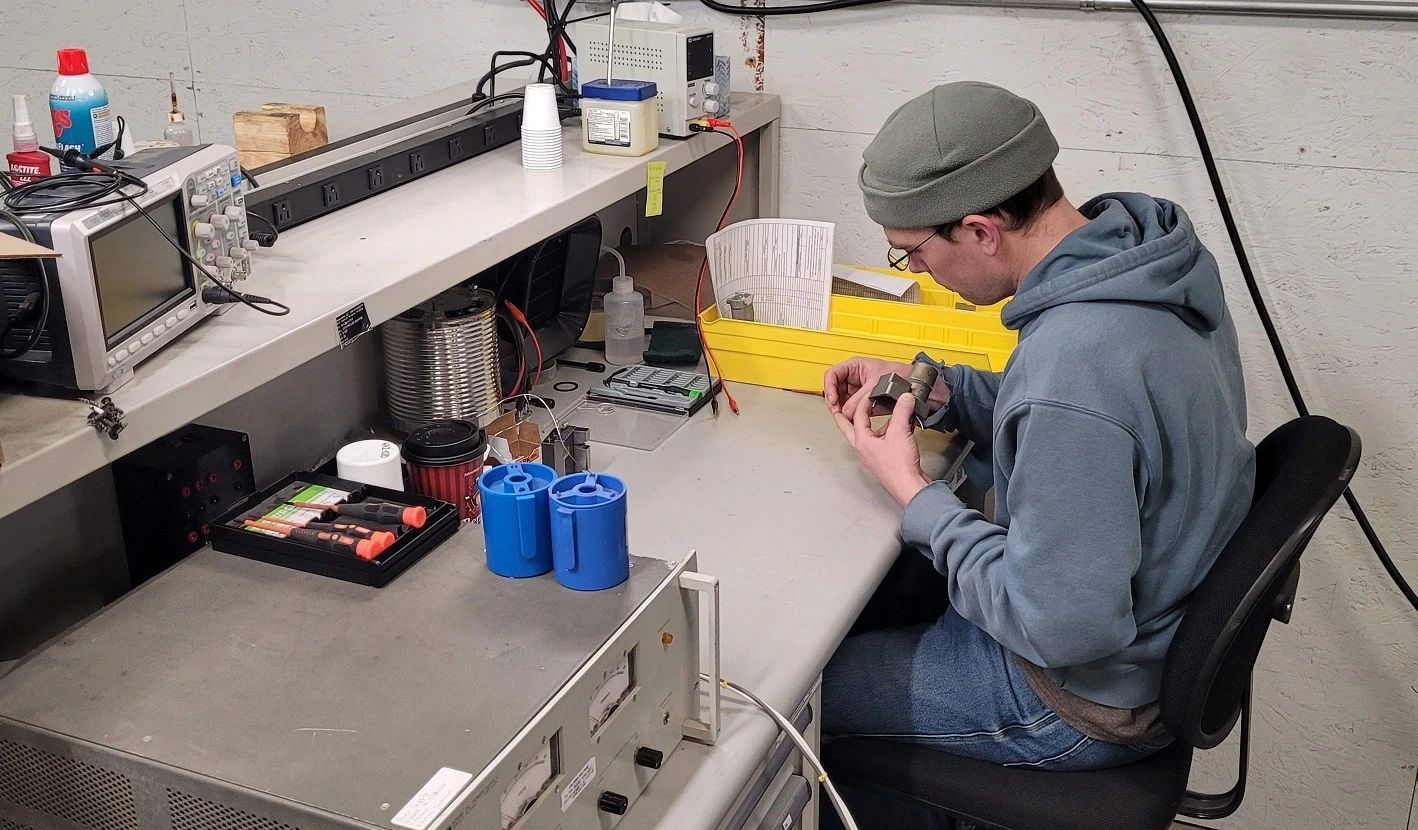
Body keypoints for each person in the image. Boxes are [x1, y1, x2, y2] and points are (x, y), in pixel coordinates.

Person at [821, 81, 1256, 784]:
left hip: (1079, 695)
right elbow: (1097, 426)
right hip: (1144, 623)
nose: (916, 270)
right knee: (876, 603)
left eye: (912, 252)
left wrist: (914, 493)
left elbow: (1060, 626)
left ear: (981, 231)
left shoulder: (1074, 366)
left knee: (799, 690)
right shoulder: (1143, 268)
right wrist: (939, 388)